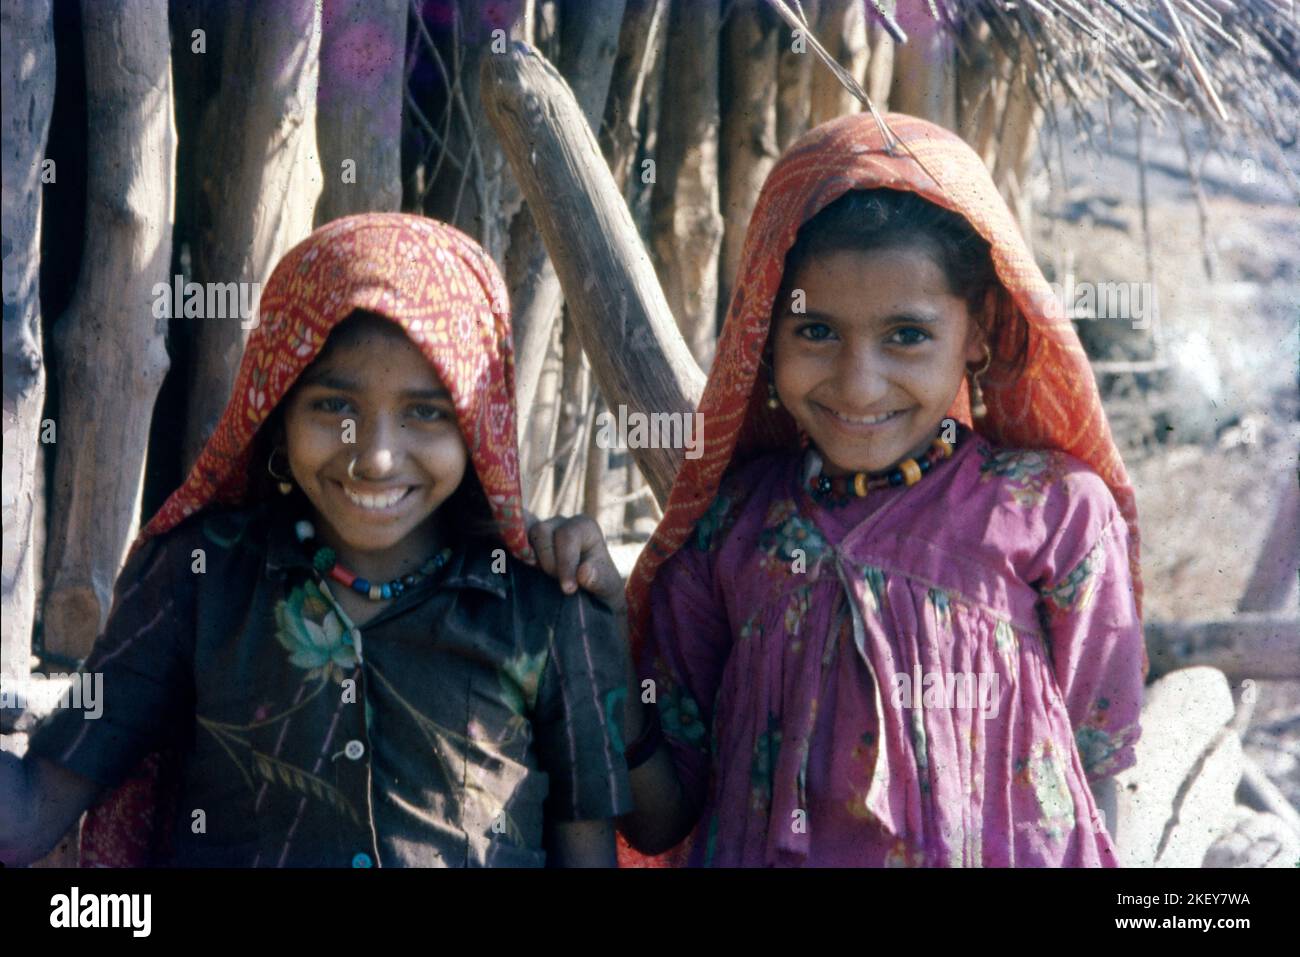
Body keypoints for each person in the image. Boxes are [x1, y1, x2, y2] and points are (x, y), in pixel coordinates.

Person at [539, 112, 1146, 867]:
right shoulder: (730, 530)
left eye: (907, 335)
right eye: (817, 331)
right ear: (765, 331)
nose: (859, 384)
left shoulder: (1057, 517)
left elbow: (1098, 771)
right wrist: (599, 641)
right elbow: (661, 818)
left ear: (980, 331)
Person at [0, 213, 631, 868]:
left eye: (427, 411)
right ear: (275, 412)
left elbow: (590, 852)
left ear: (478, 426)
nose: (377, 458)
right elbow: (30, 811)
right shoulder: (198, 573)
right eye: (335, 406)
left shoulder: (545, 606)